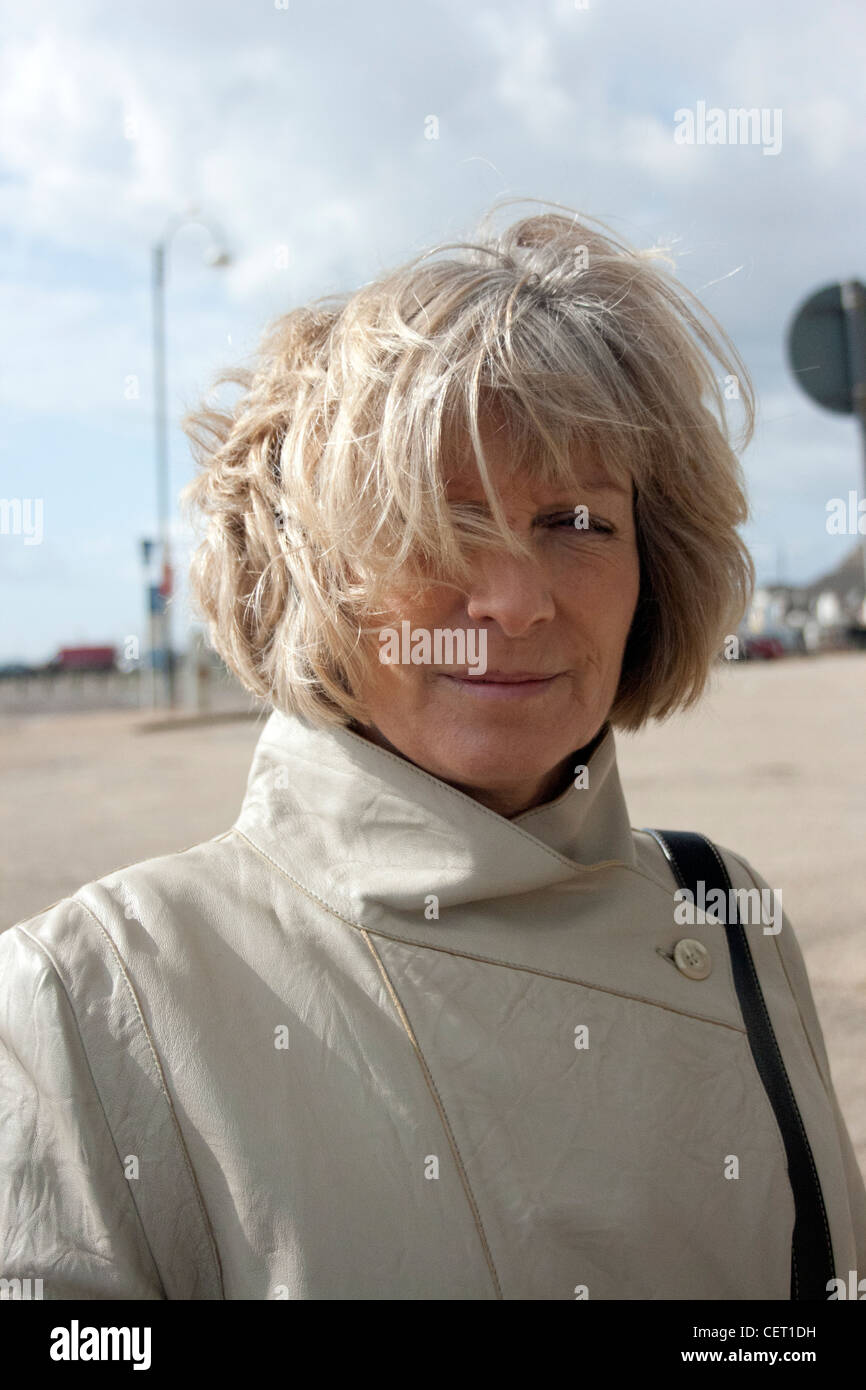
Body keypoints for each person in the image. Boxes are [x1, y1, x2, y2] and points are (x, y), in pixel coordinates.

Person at [1, 201, 864, 1301]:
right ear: (300, 571)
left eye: (576, 522)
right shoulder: (87, 999)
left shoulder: (730, 914)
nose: (512, 599)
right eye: (441, 519)